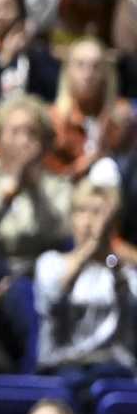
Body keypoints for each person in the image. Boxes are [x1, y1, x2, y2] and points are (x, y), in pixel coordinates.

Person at [33, 162, 137, 379]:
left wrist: (112, 259)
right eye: (82, 211)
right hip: (61, 368)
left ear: (112, 223)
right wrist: (93, 245)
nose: (89, 221)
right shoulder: (51, 263)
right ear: (71, 218)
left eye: (97, 213)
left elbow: (129, 308)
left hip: (114, 371)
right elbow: (54, 299)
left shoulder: (123, 272)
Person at [0, 94, 75, 264]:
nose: (24, 141)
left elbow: (58, 235)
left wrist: (36, 190)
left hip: (35, 276)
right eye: (15, 132)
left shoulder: (58, 187)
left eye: (32, 133)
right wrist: (10, 187)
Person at [48, 39, 133, 178]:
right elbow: (55, 180)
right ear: (68, 70)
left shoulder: (120, 114)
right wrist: (93, 159)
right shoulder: (54, 119)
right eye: (80, 65)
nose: (88, 74)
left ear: (106, 73)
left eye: (96, 66)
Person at [0, 0, 61, 103]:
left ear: (19, 9)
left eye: (6, 5)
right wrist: (4, 59)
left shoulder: (35, 53)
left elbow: (54, 90)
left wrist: (32, 52)